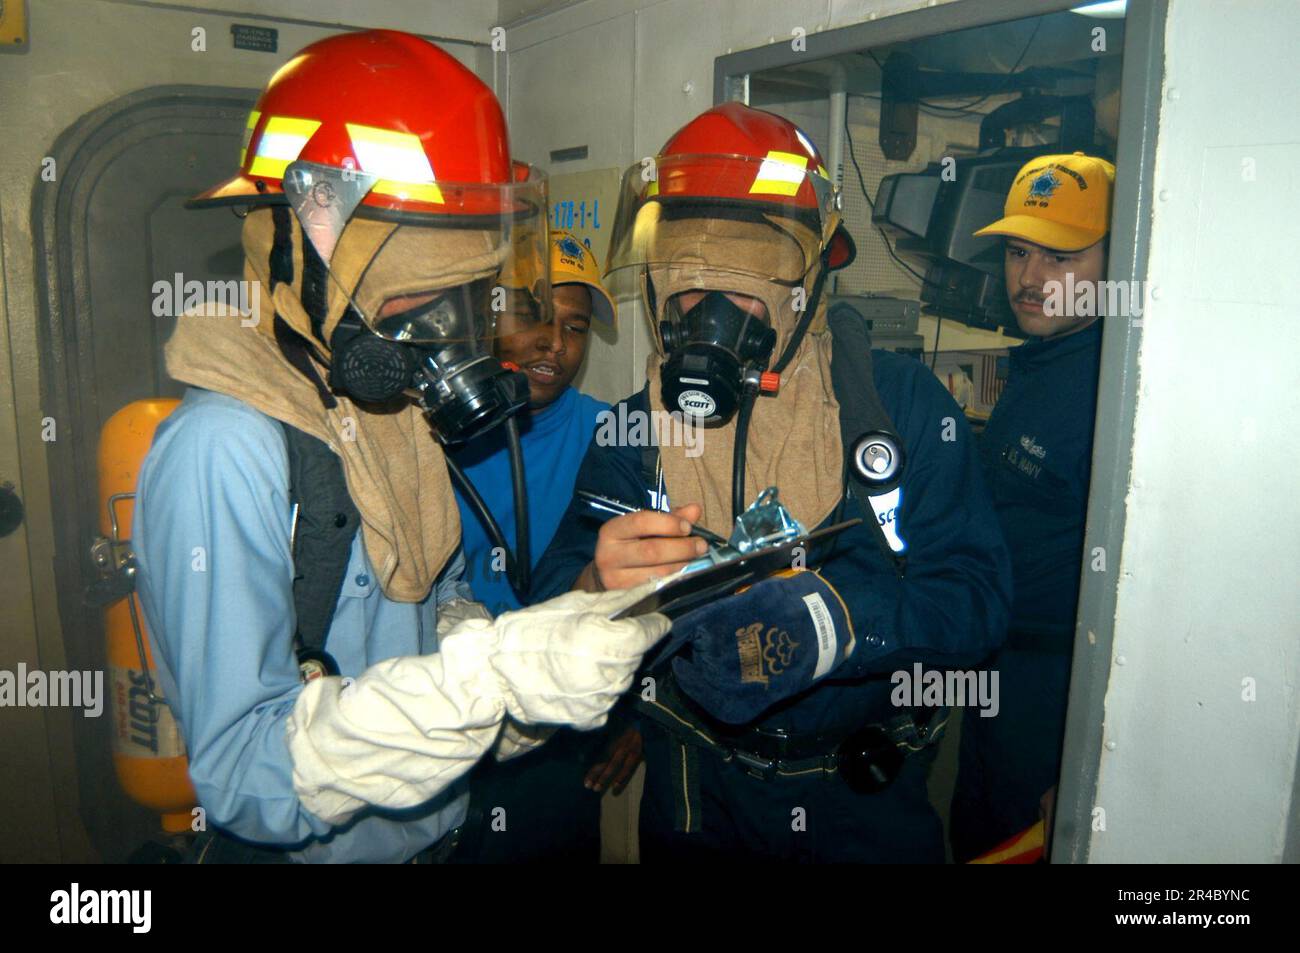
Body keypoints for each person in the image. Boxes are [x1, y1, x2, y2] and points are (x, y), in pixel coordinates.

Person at [132, 29, 667, 864]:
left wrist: (535, 648)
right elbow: (246, 773)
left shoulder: (387, 412)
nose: (455, 332)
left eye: (471, 293)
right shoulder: (223, 450)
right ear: (303, 255)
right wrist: (488, 677)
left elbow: (435, 613)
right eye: (423, 294)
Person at [531, 102, 1012, 863]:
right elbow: (550, 599)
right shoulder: (632, 432)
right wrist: (592, 586)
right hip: (696, 792)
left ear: (807, 285)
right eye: (687, 282)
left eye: (745, 281)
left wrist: (843, 622)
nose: (708, 312)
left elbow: (979, 600)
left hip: (860, 799)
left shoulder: (898, 406)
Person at [448, 229, 637, 862]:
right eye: (532, 315)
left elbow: (651, 585)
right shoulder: (427, 428)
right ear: (486, 313)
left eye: (576, 326)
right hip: (442, 713)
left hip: (557, 731)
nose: (555, 343)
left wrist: (640, 715)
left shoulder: (613, 436)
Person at [950, 151, 1115, 862]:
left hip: (1058, 695)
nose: (1029, 278)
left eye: (1060, 257)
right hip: (998, 676)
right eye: (1018, 251)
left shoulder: (1120, 387)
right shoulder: (1040, 361)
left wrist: (1077, 761)